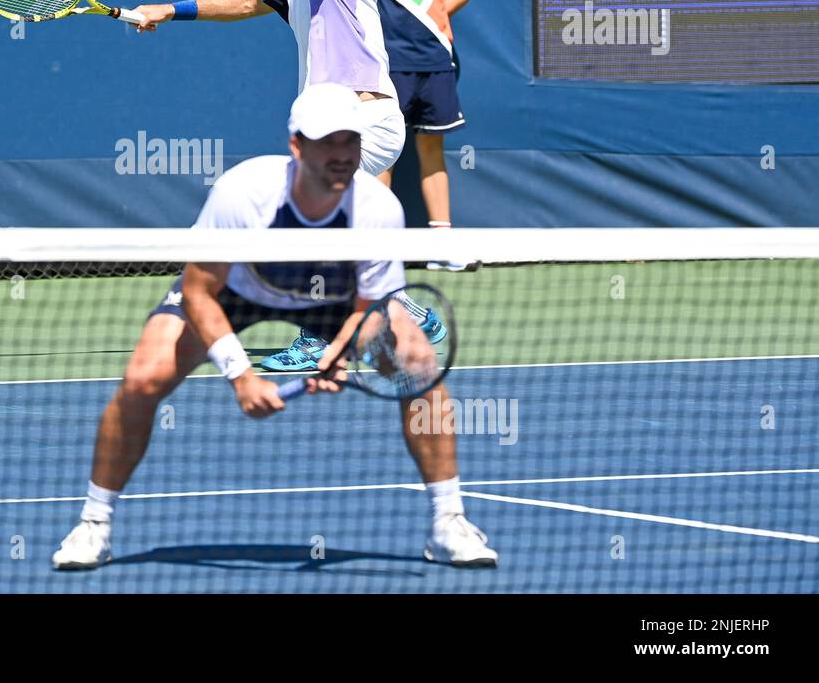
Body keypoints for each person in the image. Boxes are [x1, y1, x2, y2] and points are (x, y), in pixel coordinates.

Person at [51, 84, 499, 571]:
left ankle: (448, 521)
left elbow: (371, 307)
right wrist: (241, 375)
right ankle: (94, 522)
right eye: (326, 142)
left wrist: (340, 354)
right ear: (296, 146)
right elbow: (200, 290)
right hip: (233, 291)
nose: (341, 155)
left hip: (332, 300)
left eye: (350, 141)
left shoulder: (378, 209)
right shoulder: (243, 194)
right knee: (142, 379)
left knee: (417, 363)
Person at [129, 0, 443, 371]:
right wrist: (166, 10)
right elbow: (247, 1)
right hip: (345, 122)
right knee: (319, 220)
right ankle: (401, 309)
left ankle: (322, 337)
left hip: (362, 120)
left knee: (304, 218)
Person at [358, 0, 473, 269]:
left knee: (431, 150)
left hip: (437, 62)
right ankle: (379, 252)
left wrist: (439, 13)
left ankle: (441, 247)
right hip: (389, 66)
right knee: (383, 154)